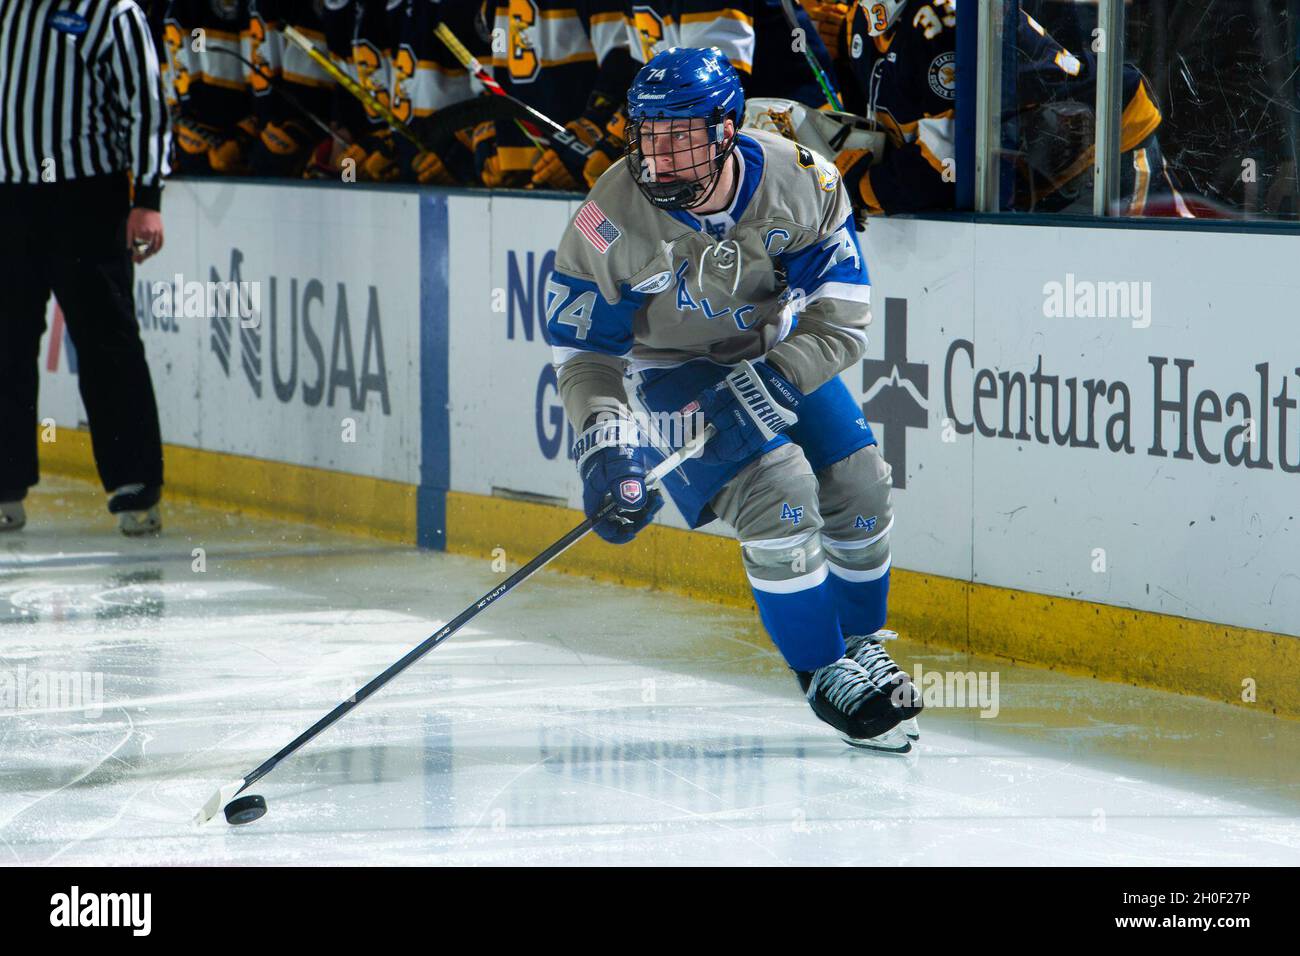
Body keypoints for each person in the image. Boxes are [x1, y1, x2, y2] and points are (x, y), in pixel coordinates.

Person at [545, 46, 923, 751]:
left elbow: (841, 310)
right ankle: (821, 672)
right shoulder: (607, 218)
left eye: (680, 138)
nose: (658, 159)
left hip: (774, 351)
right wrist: (605, 445)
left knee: (861, 484)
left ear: (725, 132)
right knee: (779, 494)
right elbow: (583, 350)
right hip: (672, 369)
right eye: (647, 136)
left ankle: (862, 642)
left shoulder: (801, 178)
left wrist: (778, 378)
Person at [0, 0, 171, 535]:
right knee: (5, 341)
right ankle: (4, 486)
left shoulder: (109, 13)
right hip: (7, 198)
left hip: (85, 199)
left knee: (105, 340)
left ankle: (134, 484)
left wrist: (147, 196)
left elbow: (144, 106)